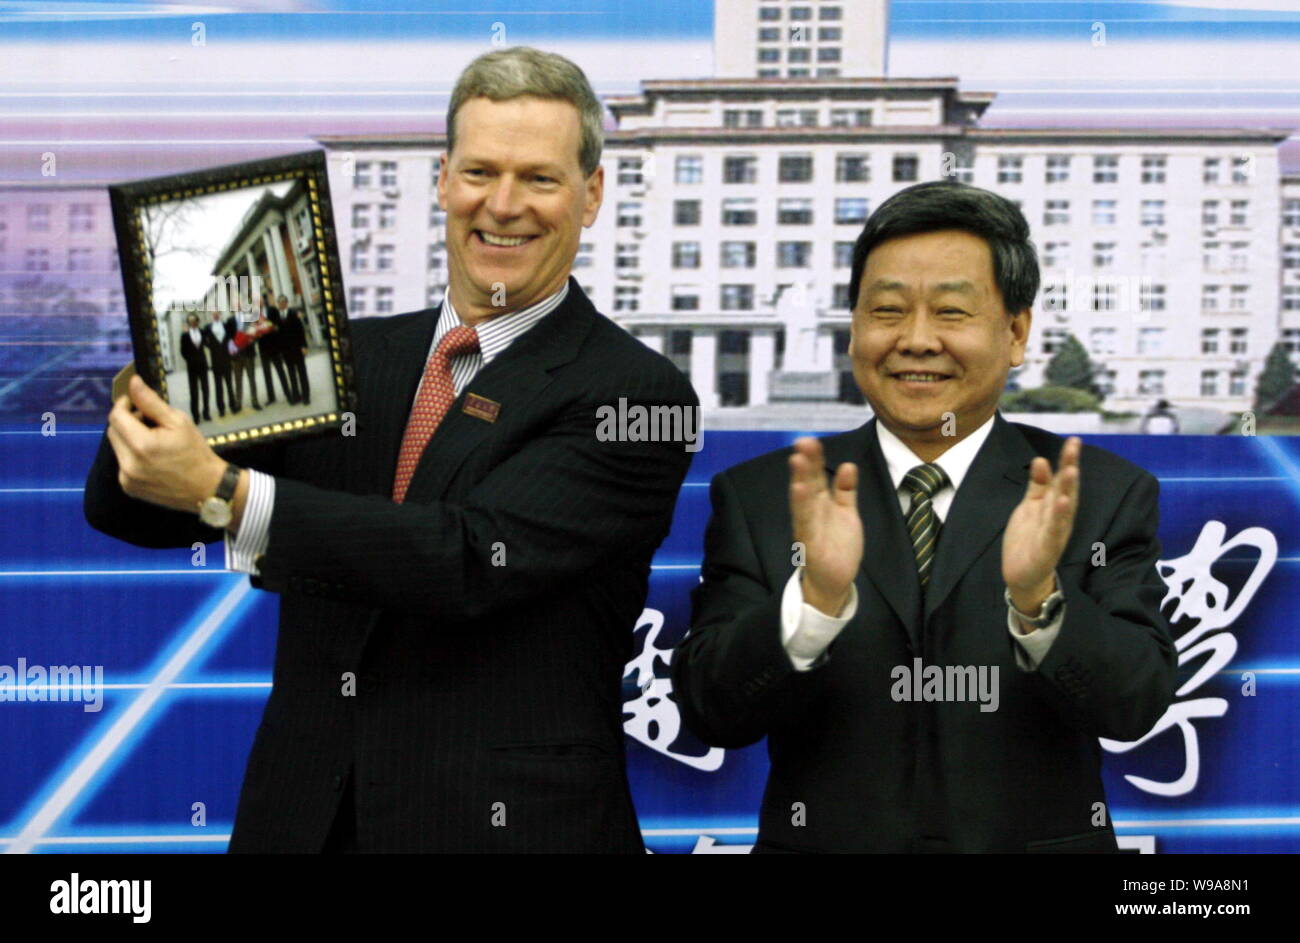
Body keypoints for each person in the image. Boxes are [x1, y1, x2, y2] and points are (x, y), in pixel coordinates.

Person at [83, 46, 698, 853]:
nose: (503, 204)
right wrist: (164, 379)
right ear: (442, 180)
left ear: (592, 196)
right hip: (301, 824)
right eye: (479, 171)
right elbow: (132, 513)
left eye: (540, 179)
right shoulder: (332, 361)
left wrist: (231, 494)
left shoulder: (638, 397)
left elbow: (472, 559)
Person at [671, 180, 1177, 853]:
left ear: (1017, 331)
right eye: (886, 310)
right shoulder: (765, 496)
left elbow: (1135, 703)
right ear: (854, 326)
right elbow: (712, 710)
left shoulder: (1096, 491)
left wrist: (1038, 600)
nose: (915, 340)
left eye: (951, 311)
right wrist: (811, 605)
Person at [255, 292, 293, 405]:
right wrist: (257, 333)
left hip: (274, 347)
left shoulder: (272, 310)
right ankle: (271, 397)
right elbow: (253, 330)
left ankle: (288, 393)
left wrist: (270, 326)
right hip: (263, 348)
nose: (259, 302)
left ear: (263, 301)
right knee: (267, 374)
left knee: (280, 371)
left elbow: (278, 325)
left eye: (260, 300)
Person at [226, 303, 261, 413]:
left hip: (248, 354)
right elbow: (228, 338)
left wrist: (252, 340)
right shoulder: (230, 321)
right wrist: (231, 348)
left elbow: (254, 333)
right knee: (237, 380)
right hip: (236, 357)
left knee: (252, 379)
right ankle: (238, 403)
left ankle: (255, 402)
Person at [177, 312, 211, 423]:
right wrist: (190, 360)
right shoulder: (184, 335)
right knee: (194, 391)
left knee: (205, 390)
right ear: (188, 323)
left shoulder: (202, 332)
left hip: (203, 365)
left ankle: (206, 413)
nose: (193, 323)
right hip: (192, 367)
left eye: (195, 321)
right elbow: (182, 351)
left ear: (197, 321)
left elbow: (207, 344)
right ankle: (195, 416)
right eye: (190, 321)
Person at [278, 293, 310, 406]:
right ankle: (296, 396)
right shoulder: (278, 317)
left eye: (283, 302)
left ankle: (306, 396)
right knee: (291, 374)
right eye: (279, 302)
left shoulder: (294, 313)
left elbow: (301, 331)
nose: (281, 304)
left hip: (297, 349)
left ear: (286, 303)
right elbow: (278, 336)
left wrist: (304, 346)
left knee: (302, 373)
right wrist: (280, 352)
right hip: (286, 352)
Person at [203, 309, 236, 419]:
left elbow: (232, 338)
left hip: (227, 360)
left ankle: (233, 406)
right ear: (212, 315)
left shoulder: (226, 325)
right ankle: (221, 409)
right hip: (216, 362)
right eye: (214, 313)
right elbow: (203, 339)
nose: (216, 315)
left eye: (218, 313)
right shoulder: (208, 327)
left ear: (220, 315)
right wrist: (211, 347)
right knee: (218, 387)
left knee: (229, 385)